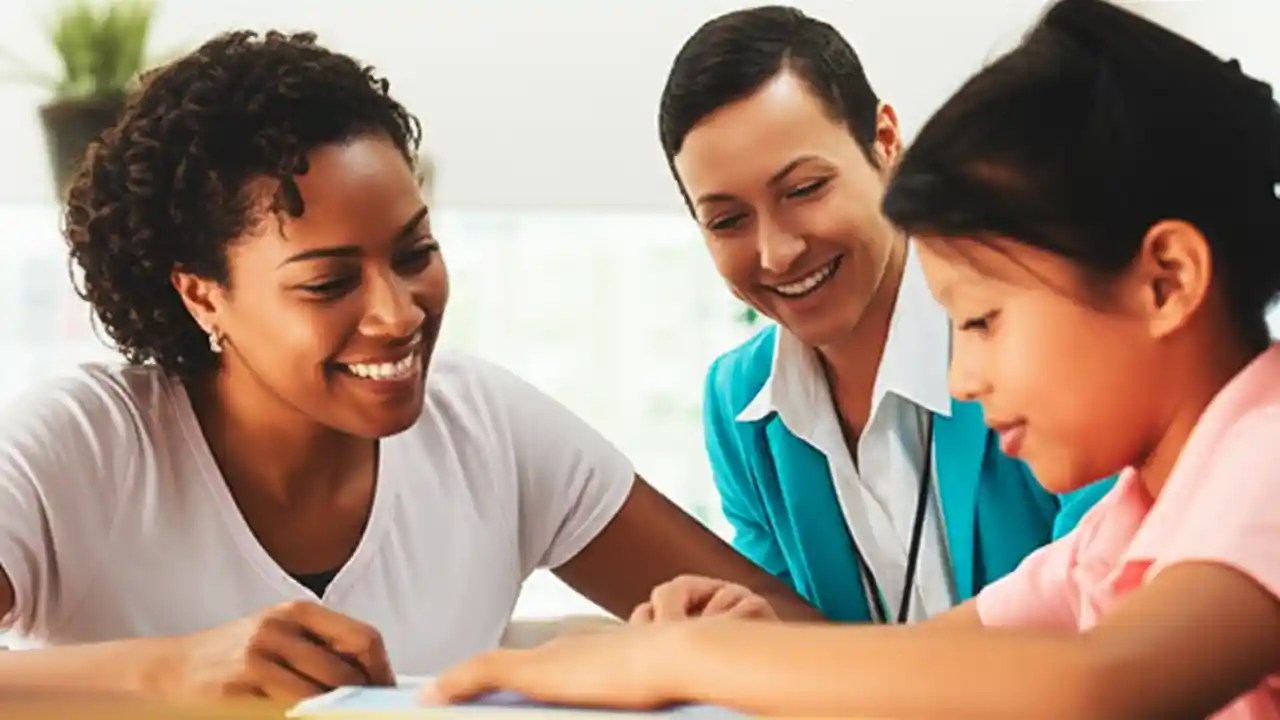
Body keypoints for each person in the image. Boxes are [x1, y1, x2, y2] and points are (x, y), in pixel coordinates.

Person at [431, 0, 1280, 716]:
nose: (960, 377)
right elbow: (938, 661)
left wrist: (675, 663)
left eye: (981, 321)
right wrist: (730, 645)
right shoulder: (1129, 520)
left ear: (1166, 282)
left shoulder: (1266, 458)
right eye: (725, 218)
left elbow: (1099, 681)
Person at [0, 30, 818, 703]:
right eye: (327, 283)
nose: (399, 314)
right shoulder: (81, 448)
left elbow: (811, 650)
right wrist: (169, 673)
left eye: (415, 252)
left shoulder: (490, 432)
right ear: (202, 296)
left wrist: (721, 639)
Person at [635, 5, 1109, 625]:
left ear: (886, 144)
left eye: (804, 189)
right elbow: (800, 650)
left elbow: (1094, 616)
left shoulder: (1034, 328)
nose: (777, 253)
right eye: (727, 221)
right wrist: (737, 637)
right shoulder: (739, 403)